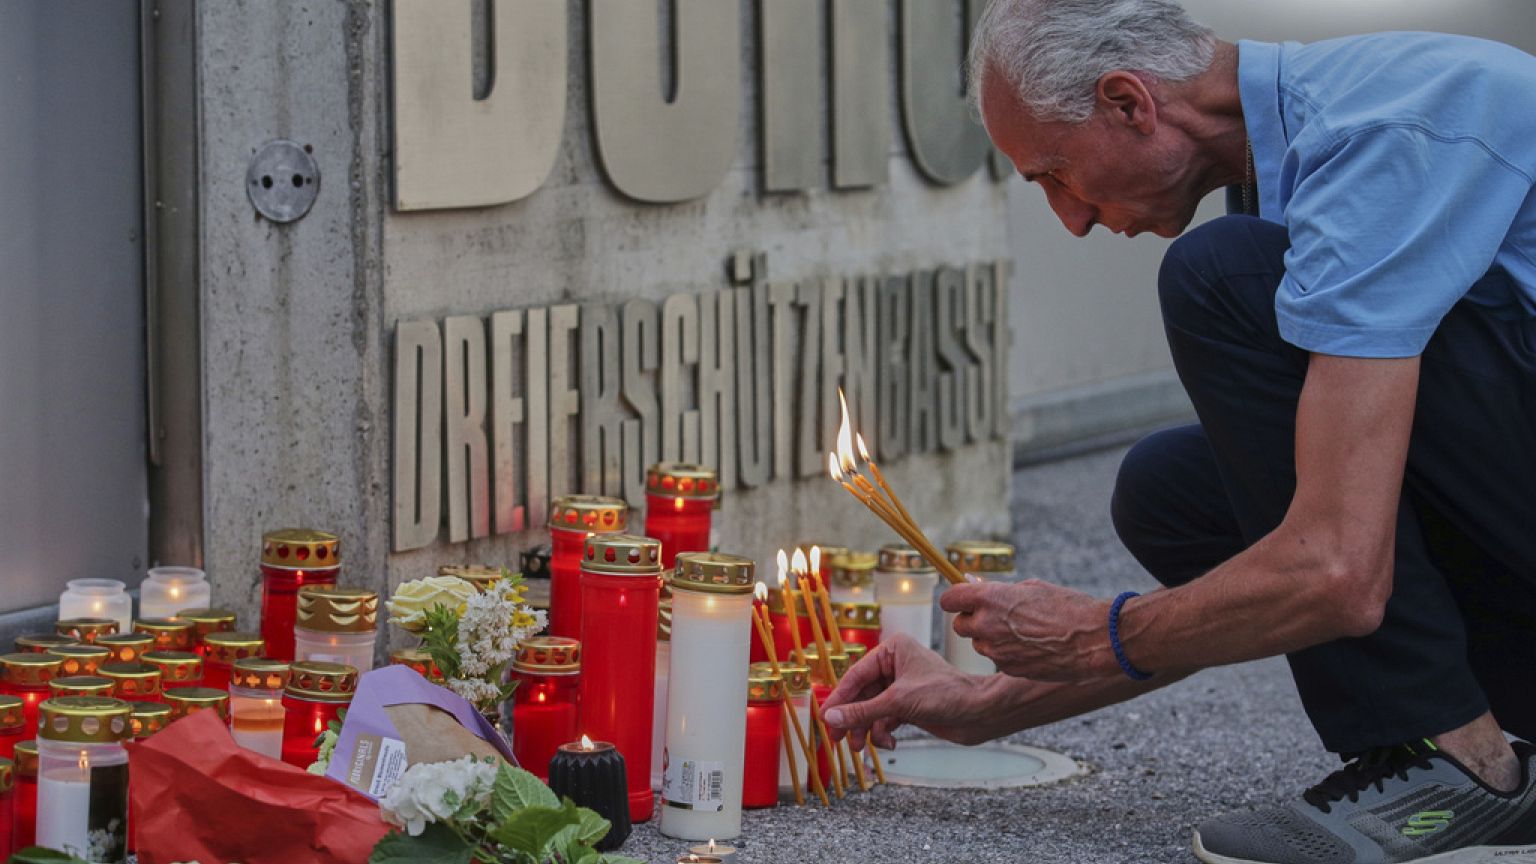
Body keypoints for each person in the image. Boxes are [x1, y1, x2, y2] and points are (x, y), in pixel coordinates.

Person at [822, 1, 1536, 861]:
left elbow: (1337, 569)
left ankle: (1454, 765)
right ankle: (1496, 749)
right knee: (1176, 489)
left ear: (1129, 102)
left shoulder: (1381, 136)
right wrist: (988, 706)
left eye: (1053, 173)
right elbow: (1296, 558)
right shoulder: (1301, 154)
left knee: (1218, 274)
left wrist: (1093, 631)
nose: (1072, 219)